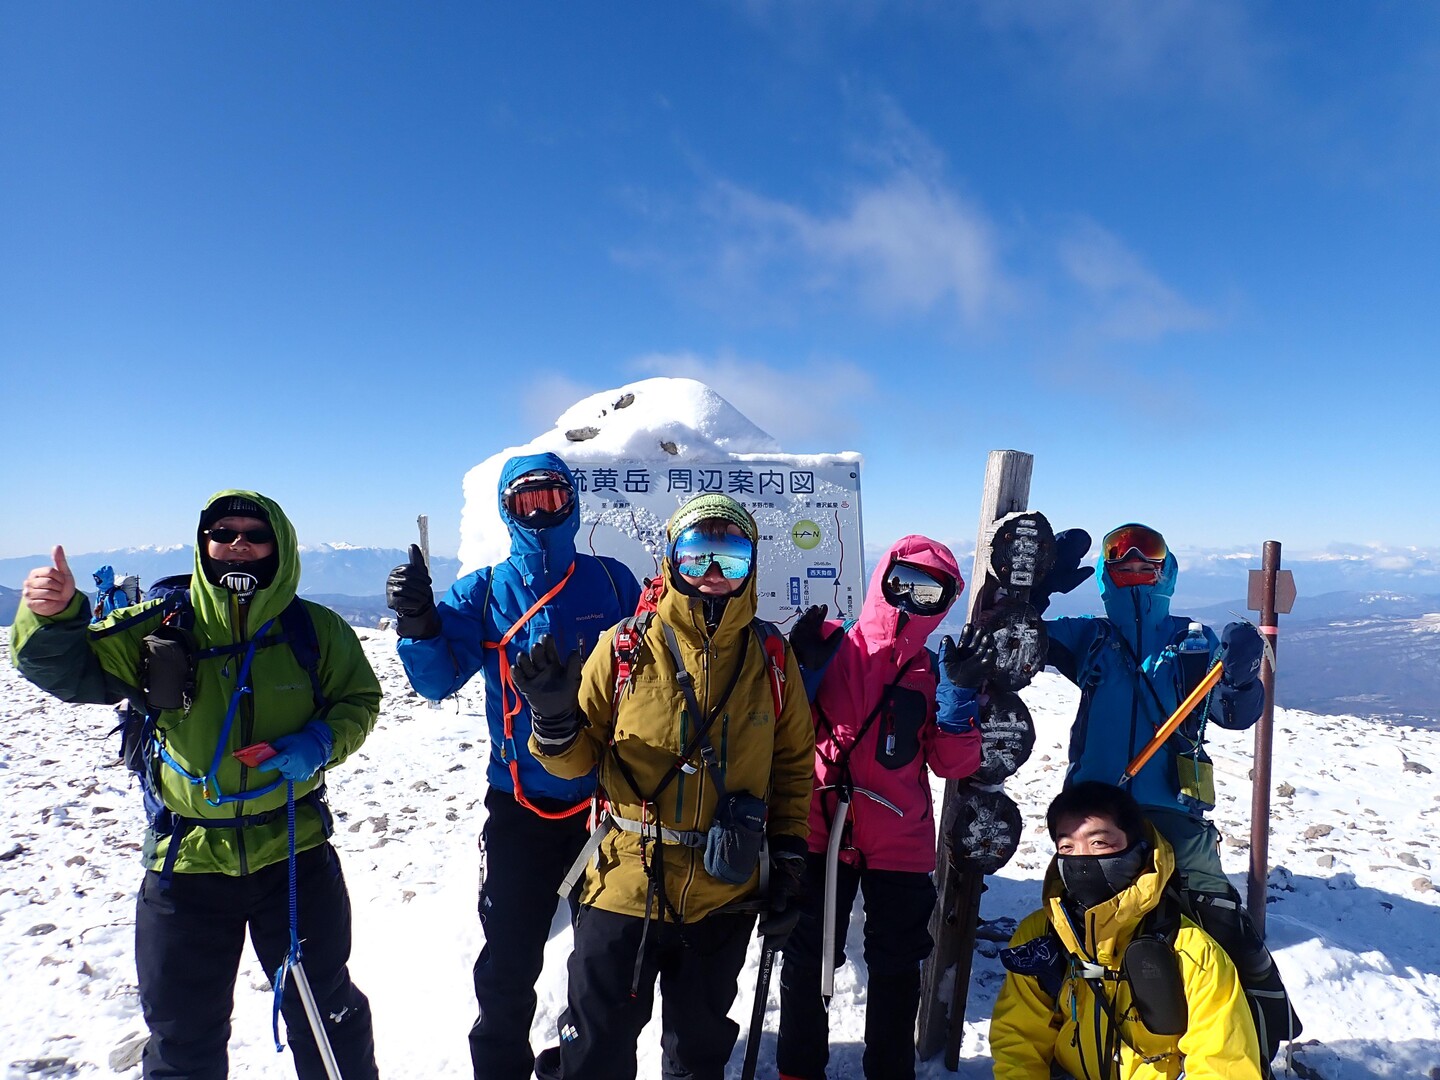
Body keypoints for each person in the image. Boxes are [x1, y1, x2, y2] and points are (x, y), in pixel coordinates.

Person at [10, 491, 381, 1080]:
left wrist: (321, 742)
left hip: (293, 851)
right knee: (183, 1036)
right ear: (203, 544)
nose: (238, 544)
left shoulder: (316, 631)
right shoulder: (159, 624)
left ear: (278, 546)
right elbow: (69, 670)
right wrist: (53, 616)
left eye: (254, 535)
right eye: (223, 533)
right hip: (186, 860)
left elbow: (359, 700)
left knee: (325, 1012)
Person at [510, 492, 815, 1080]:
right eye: (699, 554)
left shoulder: (771, 656)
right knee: (595, 1052)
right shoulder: (626, 647)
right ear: (672, 560)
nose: (713, 574)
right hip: (625, 883)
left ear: (752, 564)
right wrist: (552, 722)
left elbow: (794, 765)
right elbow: (575, 765)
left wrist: (790, 857)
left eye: (730, 555)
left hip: (724, 891)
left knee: (698, 1055)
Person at [386, 452, 640, 1080]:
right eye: (524, 501)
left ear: (573, 502)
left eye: (551, 498)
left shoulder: (611, 581)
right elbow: (439, 679)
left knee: (605, 968)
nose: (539, 511)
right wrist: (419, 624)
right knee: (507, 963)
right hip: (519, 808)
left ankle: (586, 1068)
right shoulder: (486, 590)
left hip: (607, 808)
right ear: (505, 509)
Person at [1034, 522, 1299, 1064]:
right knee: (1085, 924)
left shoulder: (1193, 642)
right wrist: (1033, 591)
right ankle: (1085, 1039)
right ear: (1107, 576)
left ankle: (1247, 1034)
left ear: (1167, 569)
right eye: (1120, 560)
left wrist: (1243, 676)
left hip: (1171, 807)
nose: (1133, 566)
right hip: (1094, 812)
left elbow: (1233, 715)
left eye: (1146, 557)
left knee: (1215, 918)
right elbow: (1015, 643)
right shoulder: (1089, 638)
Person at [774, 535, 991, 1080]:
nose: (911, 601)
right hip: (820, 826)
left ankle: (888, 1070)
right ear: (882, 579)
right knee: (807, 957)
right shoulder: (830, 642)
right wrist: (801, 671)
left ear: (943, 604)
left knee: (897, 966)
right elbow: (778, 725)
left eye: (930, 593)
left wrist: (959, 702)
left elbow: (952, 766)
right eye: (905, 585)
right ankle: (798, 1069)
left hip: (899, 839)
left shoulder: (933, 670)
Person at [991, 781, 1263, 1079]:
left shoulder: (1190, 951)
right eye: (1067, 846)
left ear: (1138, 849)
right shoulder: (1042, 936)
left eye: (1099, 844)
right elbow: (1019, 1039)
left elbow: (1222, 1065)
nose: (1082, 860)